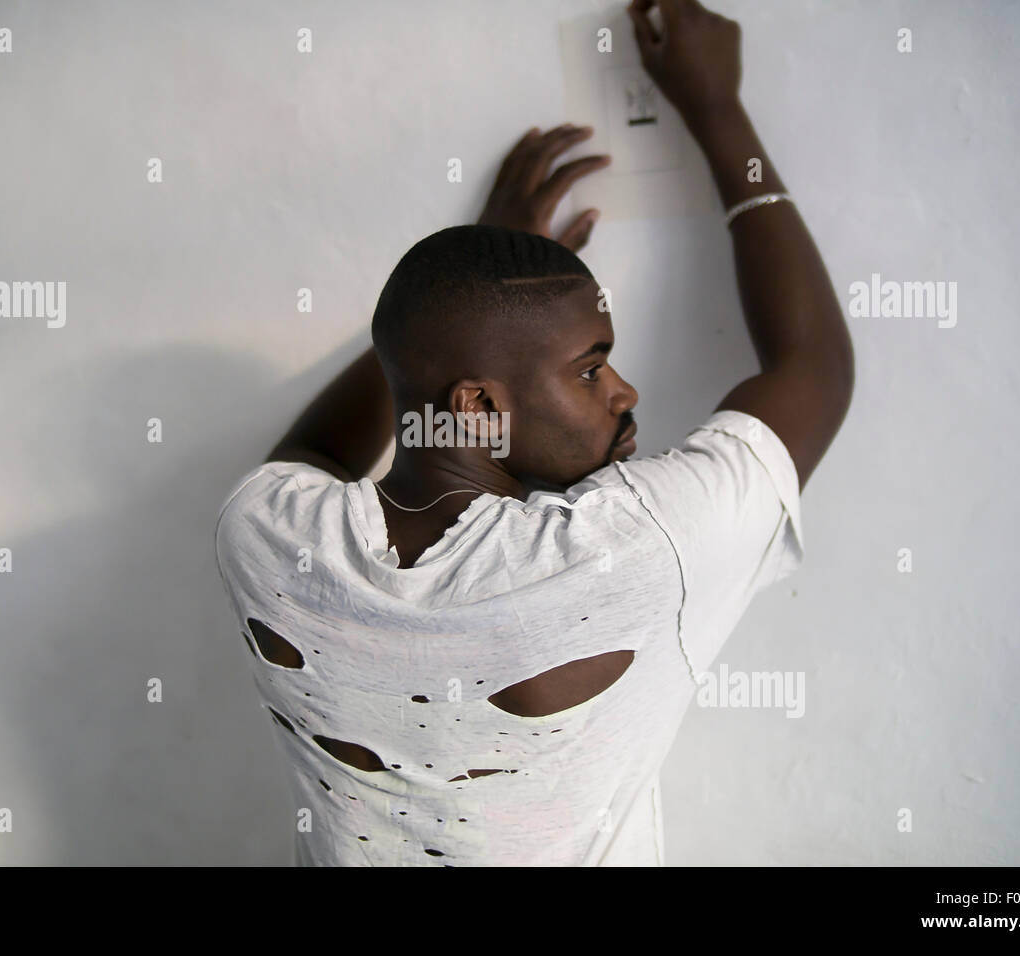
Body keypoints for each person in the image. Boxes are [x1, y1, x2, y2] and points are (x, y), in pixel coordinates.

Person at [215, 0, 854, 865]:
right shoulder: (634, 546)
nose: (626, 391)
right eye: (591, 368)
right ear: (477, 406)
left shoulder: (263, 531)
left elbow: (316, 455)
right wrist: (716, 108)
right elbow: (813, 365)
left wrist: (463, 295)